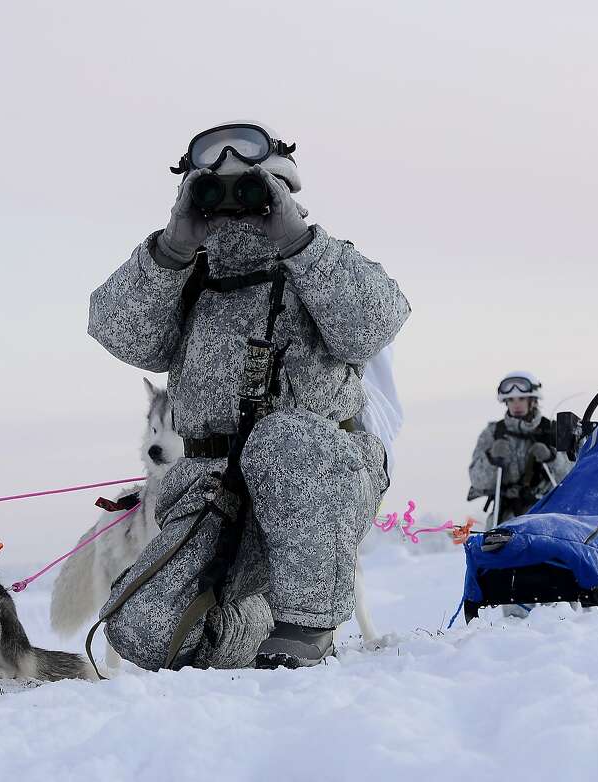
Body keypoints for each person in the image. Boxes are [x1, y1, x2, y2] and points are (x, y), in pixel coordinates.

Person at [88, 122, 410, 668]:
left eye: (252, 189)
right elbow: (121, 332)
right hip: (212, 485)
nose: (236, 204)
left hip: (318, 474)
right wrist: (171, 250)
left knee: (282, 439)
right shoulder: (187, 278)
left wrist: (298, 243)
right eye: (216, 190)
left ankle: (305, 626)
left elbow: (373, 324)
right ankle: (254, 624)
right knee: (139, 628)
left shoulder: (323, 262)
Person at [468, 371, 572, 525]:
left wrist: (552, 458)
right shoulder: (493, 433)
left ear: (533, 400)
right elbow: (477, 481)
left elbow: (571, 480)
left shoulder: (553, 431)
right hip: (503, 520)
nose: (516, 404)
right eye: (510, 400)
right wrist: (491, 458)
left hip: (548, 517)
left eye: (522, 398)